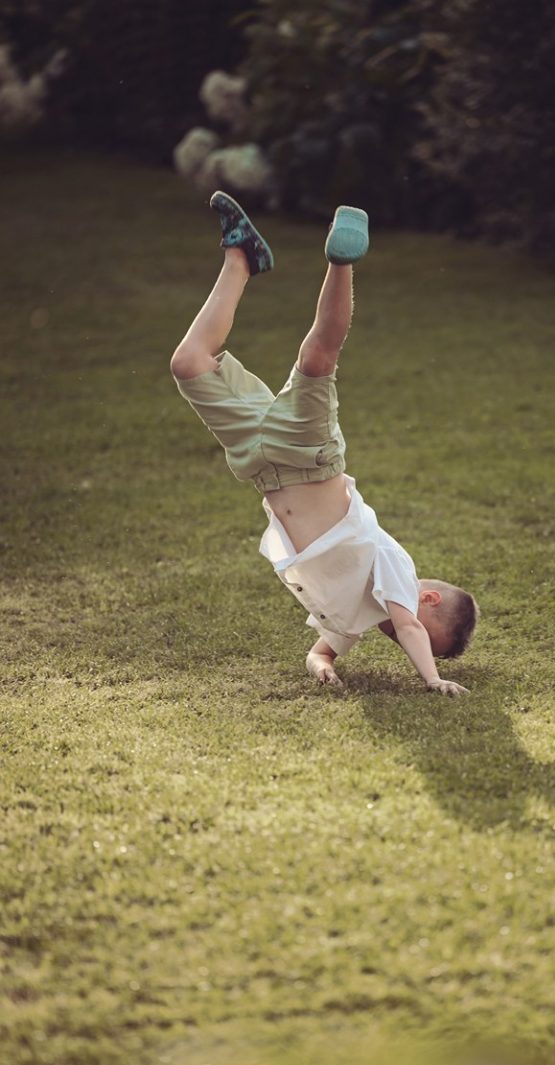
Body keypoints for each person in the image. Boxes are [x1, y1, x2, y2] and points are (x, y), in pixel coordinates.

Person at [170, 193, 478, 696]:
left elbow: (320, 650)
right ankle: (341, 261)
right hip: (309, 462)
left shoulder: (354, 616)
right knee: (317, 357)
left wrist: (324, 667)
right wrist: (432, 677)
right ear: (430, 599)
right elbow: (409, 626)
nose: (399, 639)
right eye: (416, 638)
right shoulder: (396, 570)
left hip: (259, 463)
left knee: (188, 364)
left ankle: (242, 255)